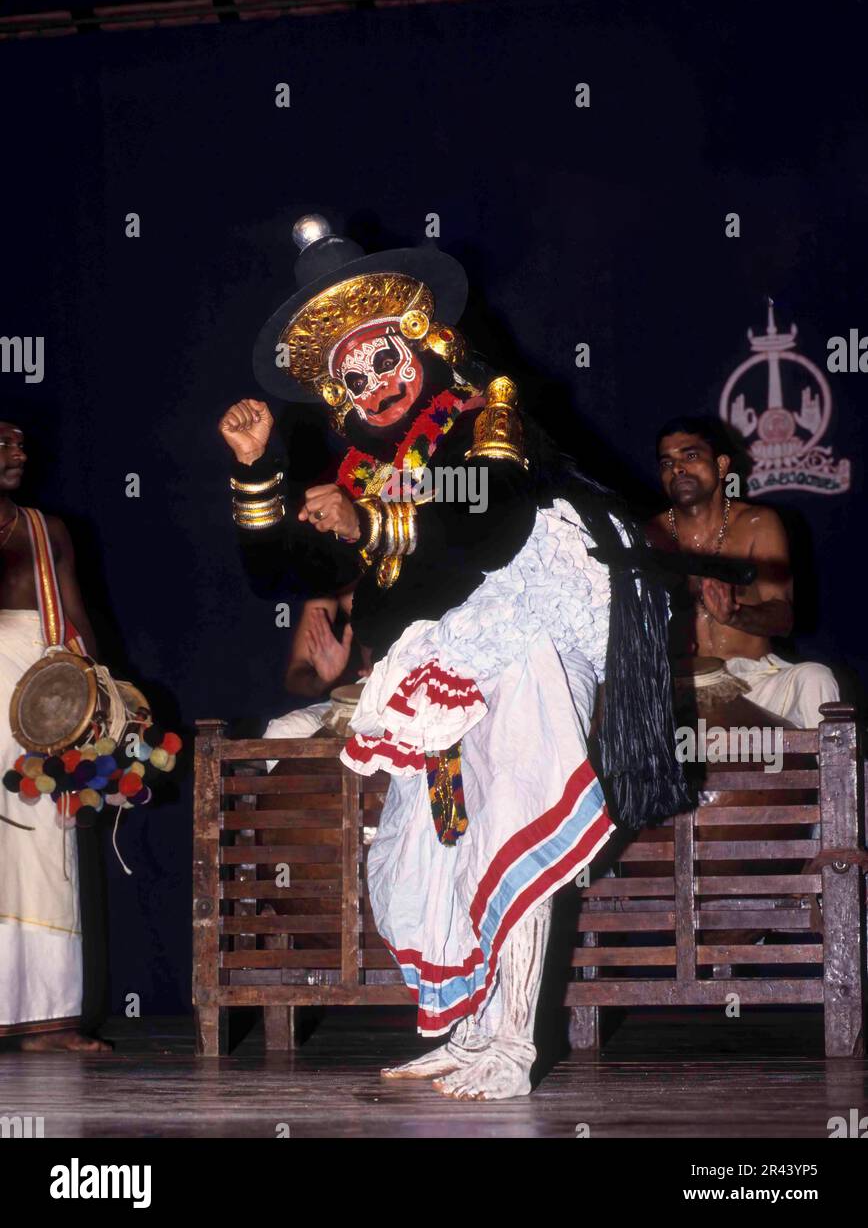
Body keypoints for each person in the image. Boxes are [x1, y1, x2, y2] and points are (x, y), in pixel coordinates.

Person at [220, 215, 687, 1100]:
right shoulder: (363, 470)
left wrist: (378, 522)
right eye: (352, 378)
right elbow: (289, 571)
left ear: (420, 345)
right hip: (446, 647)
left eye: (385, 359)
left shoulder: (484, 407)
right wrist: (257, 470)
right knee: (432, 833)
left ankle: (516, 1042)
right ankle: (469, 1027)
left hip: (535, 615)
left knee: (516, 802)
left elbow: (492, 519)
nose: (374, 384)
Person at [0, 422, 109, 1052]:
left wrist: (100, 704)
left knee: (45, 854)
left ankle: (46, 1018)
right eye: (4, 444)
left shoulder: (47, 531)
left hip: (38, 704)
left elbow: (76, 623)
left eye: (21, 444)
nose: (19, 454)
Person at [647, 415, 838, 728]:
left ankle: (833, 775)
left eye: (690, 456)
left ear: (721, 466)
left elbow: (783, 618)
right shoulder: (648, 536)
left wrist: (734, 615)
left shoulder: (757, 524)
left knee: (816, 678)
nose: (677, 469)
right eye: (667, 463)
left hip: (755, 683)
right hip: (680, 688)